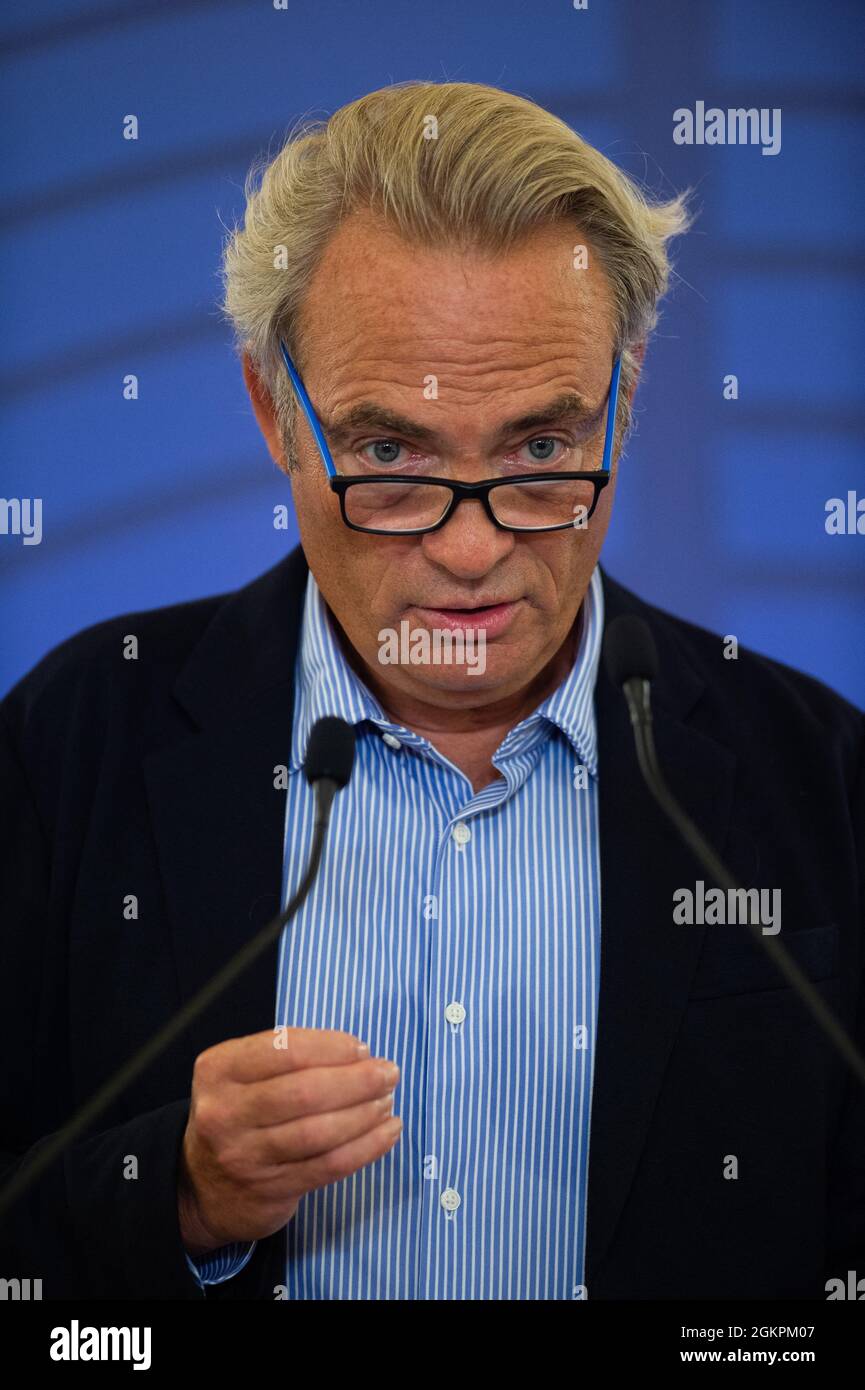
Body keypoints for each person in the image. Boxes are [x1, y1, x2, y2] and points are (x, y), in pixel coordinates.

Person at [1, 80, 862, 1301]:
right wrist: (173, 1194)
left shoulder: (820, 775)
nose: (470, 550)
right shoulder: (63, 747)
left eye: (540, 450)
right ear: (272, 412)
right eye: (391, 456)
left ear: (625, 397)